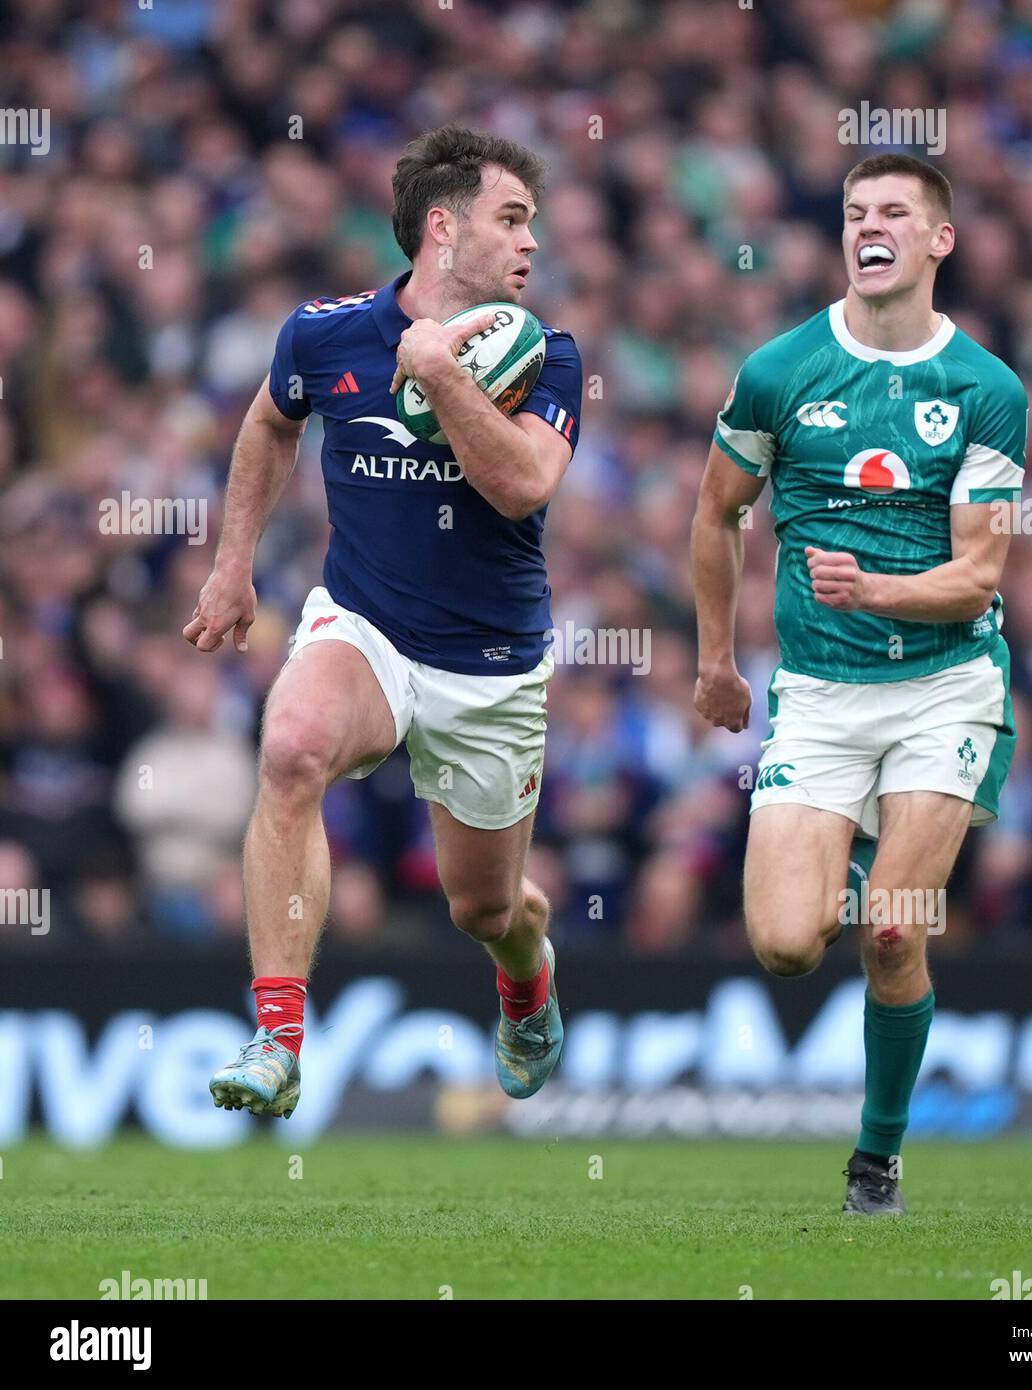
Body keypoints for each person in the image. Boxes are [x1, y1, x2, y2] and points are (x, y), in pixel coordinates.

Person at [185, 125, 582, 1118]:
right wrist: (233, 566)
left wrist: (440, 373)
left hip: (489, 662)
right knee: (290, 748)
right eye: (514, 218)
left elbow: (524, 485)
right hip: (365, 626)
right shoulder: (323, 334)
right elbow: (273, 420)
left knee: (483, 907)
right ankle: (278, 1035)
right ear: (442, 229)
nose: (534, 240)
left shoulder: (552, 357)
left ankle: (526, 980)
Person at [692, 153, 1027, 1213]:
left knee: (893, 930)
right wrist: (713, 658)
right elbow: (716, 513)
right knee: (787, 945)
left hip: (946, 684)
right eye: (854, 212)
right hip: (821, 695)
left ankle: (875, 1160)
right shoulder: (780, 371)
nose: (869, 226)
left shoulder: (987, 390)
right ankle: (857, 859)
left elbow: (979, 574)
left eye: (894, 212)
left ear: (940, 241)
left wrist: (872, 589)